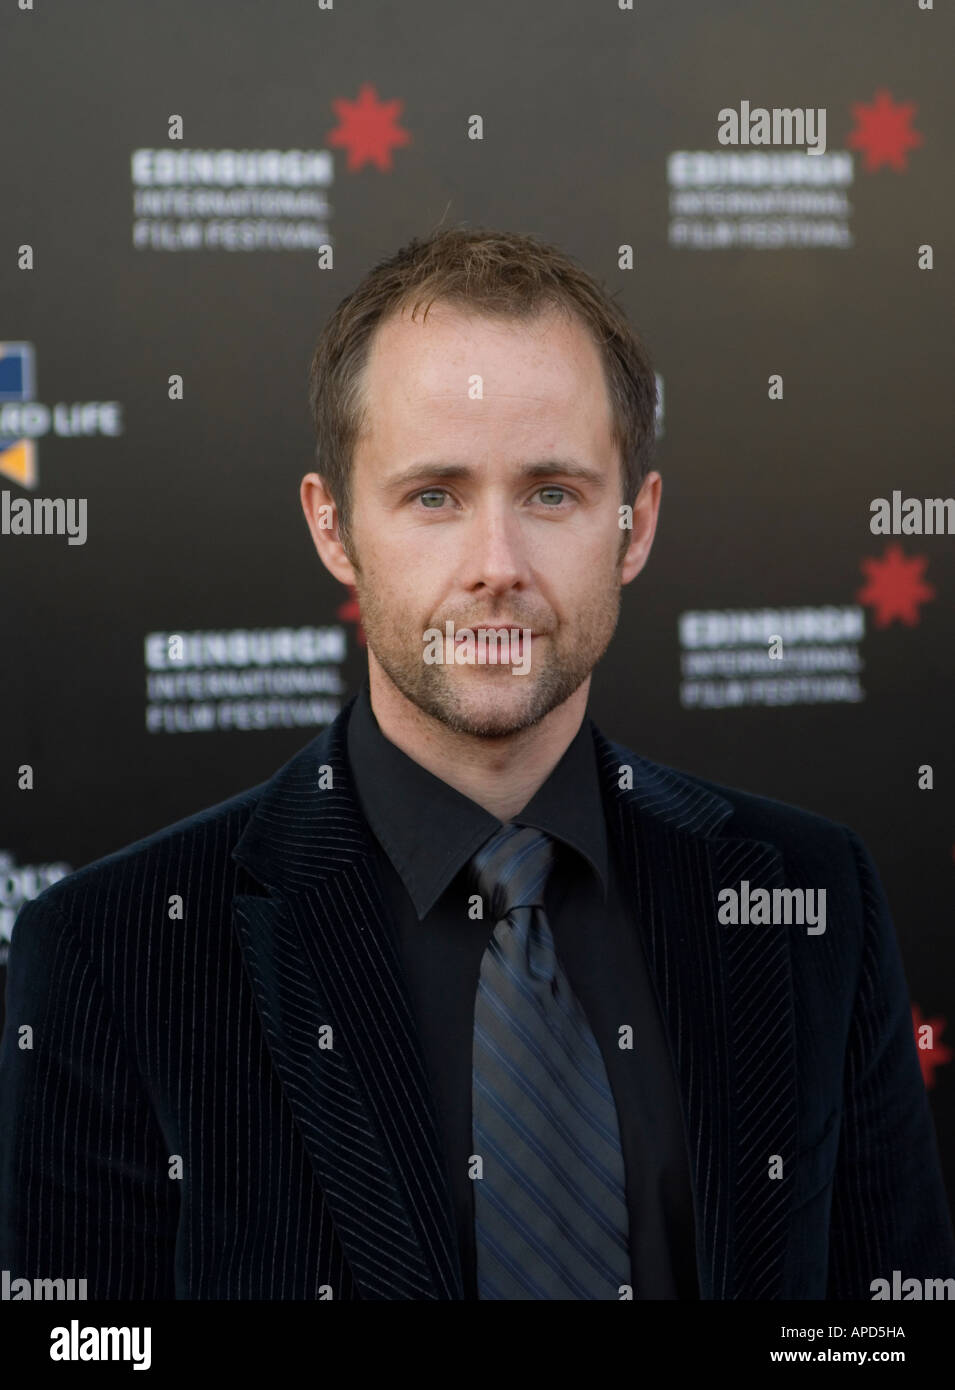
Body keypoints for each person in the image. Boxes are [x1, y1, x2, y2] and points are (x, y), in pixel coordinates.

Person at [1, 226, 952, 1300]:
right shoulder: (113, 951)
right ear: (333, 526)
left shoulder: (812, 898)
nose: (494, 567)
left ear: (633, 527)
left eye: (551, 492)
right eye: (434, 496)